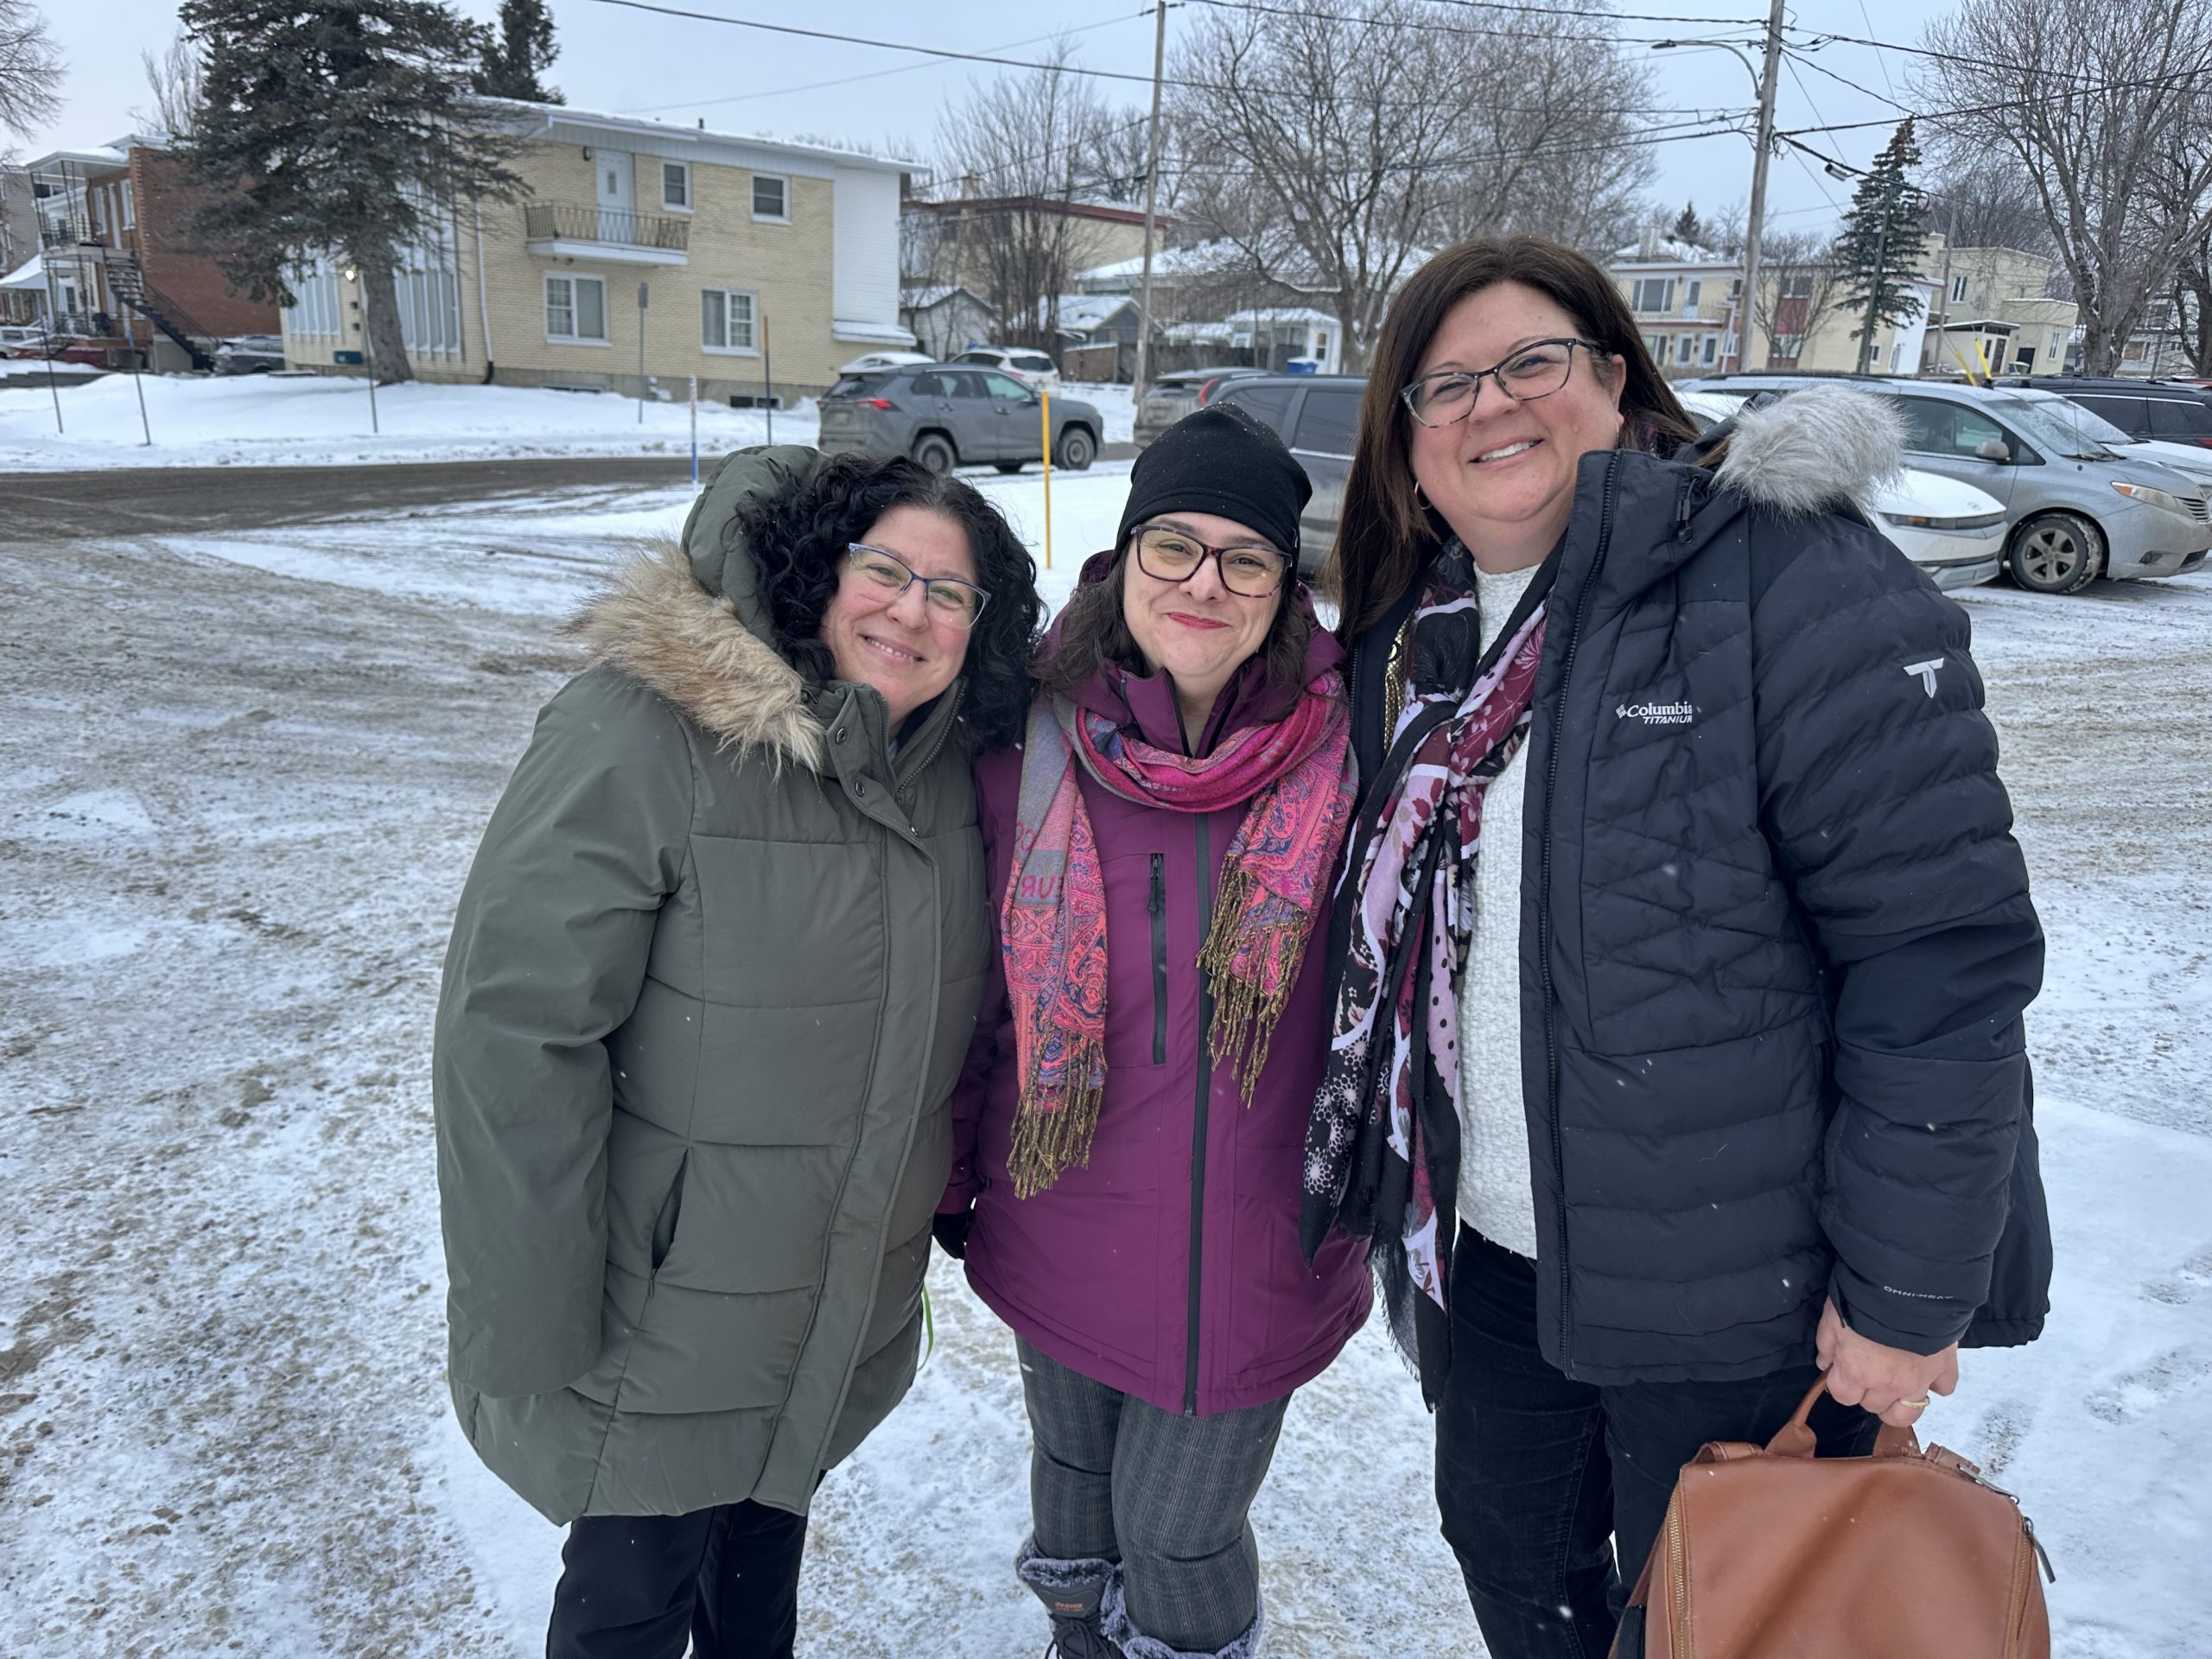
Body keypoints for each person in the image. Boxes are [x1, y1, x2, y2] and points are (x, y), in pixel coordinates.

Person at [1300, 237, 2050, 1658]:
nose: (1489, 403)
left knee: (1730, 1618)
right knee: (1517, 1573)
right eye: (1445, 384)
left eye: (1532, 362)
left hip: (1745, 1299)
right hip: (1497, 1259)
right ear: (1408, 443)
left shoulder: (1781, 576)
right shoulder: (1412, 641)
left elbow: (1937, 968)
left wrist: (1903, 1297)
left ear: (1620, 379)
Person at [432, 446, 1042, 1659]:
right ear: (821, 573)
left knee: (756, 1610)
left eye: (950, 592)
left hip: (824, 1313)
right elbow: (515, 1030)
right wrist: (527, 1311)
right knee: (627, 1614)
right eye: (885, 570)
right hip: (654, 1316)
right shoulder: (644, 732)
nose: (911, 612)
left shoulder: (945, 773)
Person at [935, 405, 1372, 1659]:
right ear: (1124, 556)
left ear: (1283, 589)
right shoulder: (1019, 741)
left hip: (1256, 1250)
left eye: (1245, 558)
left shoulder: (1357, 745)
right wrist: (953, 1179)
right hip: (1056, 1209)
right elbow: (975, 995)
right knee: (1074, 1481)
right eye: (1173, 545)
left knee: (1179, 1533)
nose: (1203, 583)